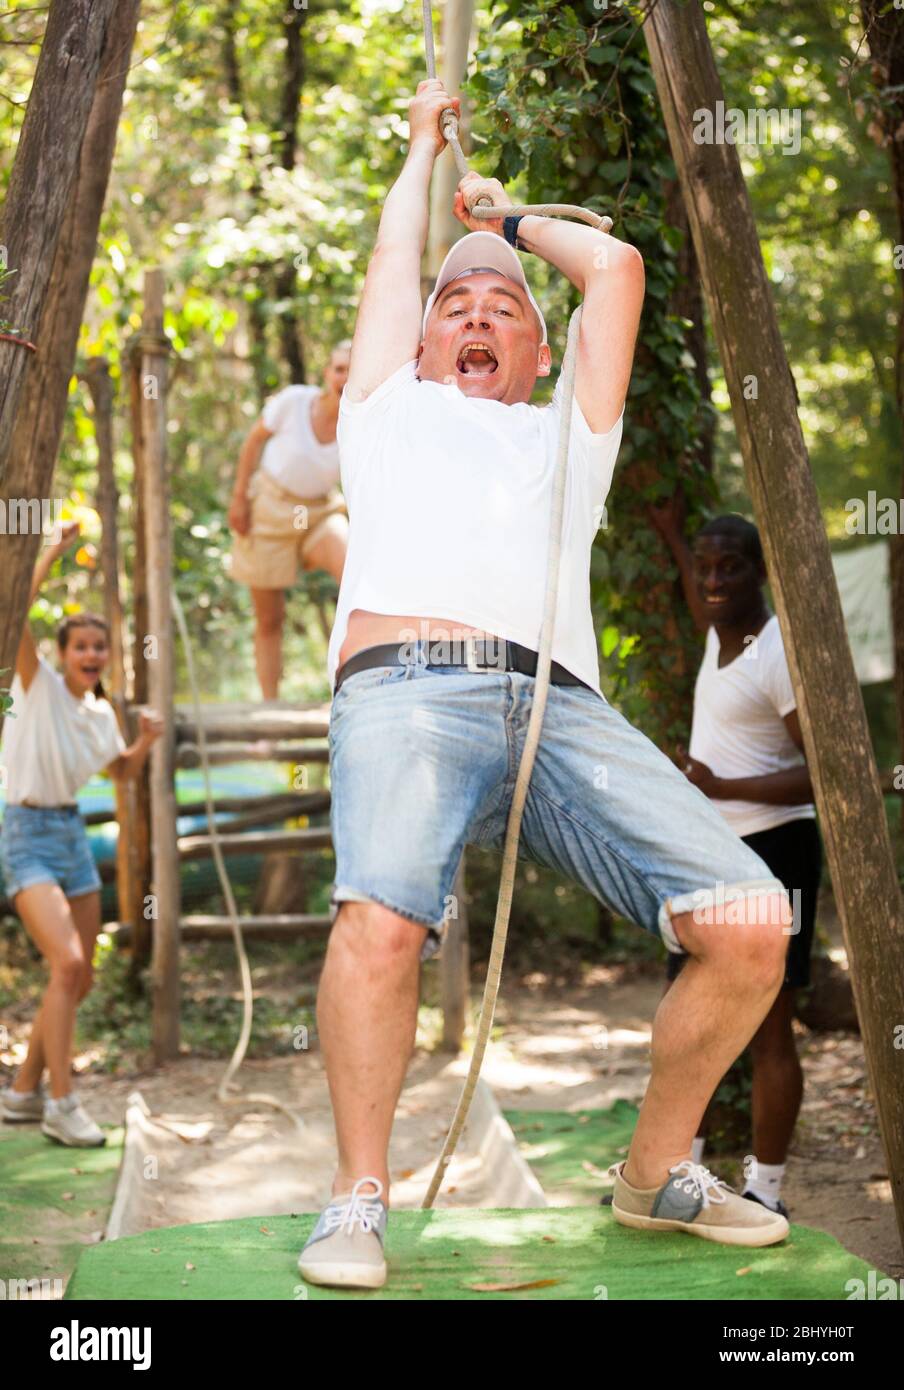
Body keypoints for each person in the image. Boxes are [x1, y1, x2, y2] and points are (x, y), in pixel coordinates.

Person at [298, 79, 793, 1291]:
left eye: (501, 310)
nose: (475, 316)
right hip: (405, 686)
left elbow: (613, 271)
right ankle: (355, 1200)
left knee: (749, 923)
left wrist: (506, 219)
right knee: (384, 917)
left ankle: (652, 1173)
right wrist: (418, 153)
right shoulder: (385, 412)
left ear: (532, 348)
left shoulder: (567, 432)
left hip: (558, 709)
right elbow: (388, 257)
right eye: (450, 306)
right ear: (417, 346)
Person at [649, 501, 820, 1219]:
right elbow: (699, 593)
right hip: (709, 850)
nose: (714, 581)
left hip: (776, 846)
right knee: (687, 1014)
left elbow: (822, 773)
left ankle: (768, 1194)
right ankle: (675, 1177)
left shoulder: (778, 652)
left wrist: (722, 787)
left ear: (761, 573)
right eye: (708, 568)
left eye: (731, 568)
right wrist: (672, 537)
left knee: (769, 1026)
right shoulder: (720, 628)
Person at [0, 522, 163, 1147]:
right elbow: (13, 610)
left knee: (79, 976)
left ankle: (20, 1093)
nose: (91, 655)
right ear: (61, 653)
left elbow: (118, 770)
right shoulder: (34, 686)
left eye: (99, 647)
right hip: (26, 830)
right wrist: (50, 551)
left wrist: (144, 742)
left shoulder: (100, 714)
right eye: (80, 646)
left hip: (70, 835)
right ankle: (61, 1103)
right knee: (67, 963)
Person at [228, 343, 352, 699]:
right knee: (270, 619)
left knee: (355, 581)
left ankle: (351, 688)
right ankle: (271, 706)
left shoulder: (361, 421)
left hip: (319, 512)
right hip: (269, 506)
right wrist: (239, 498)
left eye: (352, 371)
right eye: (339, 369)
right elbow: (253, 442)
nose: (345, 378)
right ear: (327, 373)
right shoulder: (294, 401)